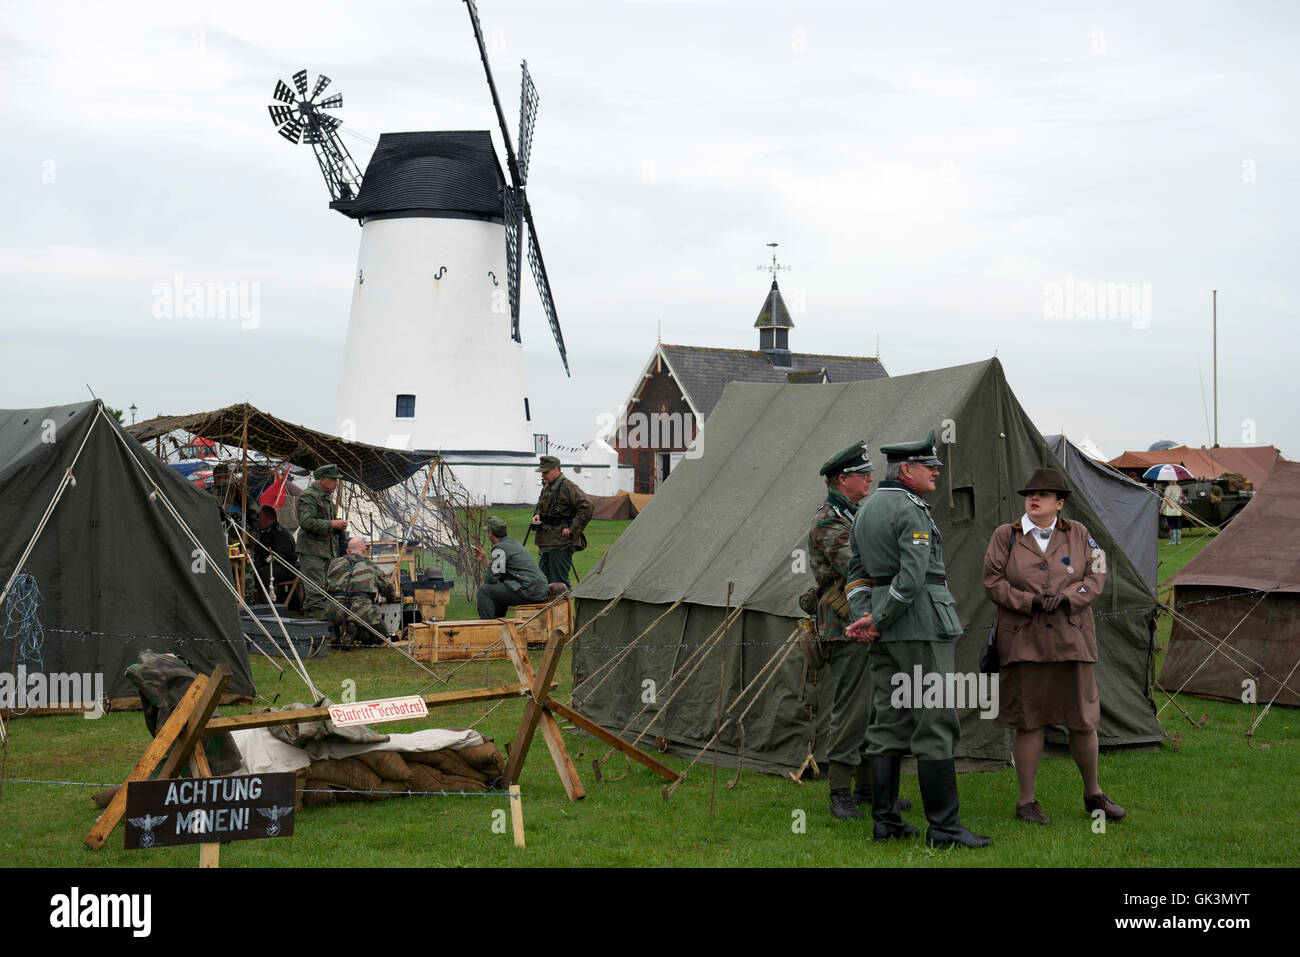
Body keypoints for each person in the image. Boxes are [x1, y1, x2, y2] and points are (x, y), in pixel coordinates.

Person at [844, 429, 990, 848]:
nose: (937, 474)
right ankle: (944, 829)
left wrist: (866, 619)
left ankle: (885, 822)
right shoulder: (911, 510)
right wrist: (883, 618)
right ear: (906, 470)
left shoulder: (866, 508)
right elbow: (910, 579)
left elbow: (855, 576)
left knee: (888, 720)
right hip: (920, 625)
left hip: (884, 631)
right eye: (930, 467)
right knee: (935, 721)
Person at [983, 467, 1125, 825]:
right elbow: (992, 582)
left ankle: (1094, 794)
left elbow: (1098, 571)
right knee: (1029, 721)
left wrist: (1068, 597)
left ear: (1059, 503)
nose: (1034, 499)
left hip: (1071, 638)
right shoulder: (1006, 536)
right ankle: (1026, 802)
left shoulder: (1080, 533)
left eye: (1044, 495)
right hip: (1023, 642)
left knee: (1082, 720)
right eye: (1031, 494)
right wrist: (1029, 601)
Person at [809, 440, 912, 821]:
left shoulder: (854, 515)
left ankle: (869, 788)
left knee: (875, 710)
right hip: (845, 626)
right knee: (852, 710)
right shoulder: (828, 522)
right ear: (842, 479)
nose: (870, 478)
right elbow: (861, 564)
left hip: (867, 621)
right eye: (861, 474)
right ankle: (840, 791)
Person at [531, 455, 593, 586]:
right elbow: (541, 506)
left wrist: (573, 529)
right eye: (542, 472)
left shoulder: (568, 487)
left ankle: (564, 607)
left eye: (545, 472)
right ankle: (548, 607)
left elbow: (587, 507)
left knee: (559, 584)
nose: (543, 475)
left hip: (560, 542)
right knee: (543, 582)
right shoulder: (548, 486)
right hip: (546, 541)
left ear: (556, 469)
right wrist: (537, 515)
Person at [474, 516, 552, 619]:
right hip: (539, 590)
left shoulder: (500, 548)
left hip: (529, 591)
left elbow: (490, 579)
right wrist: (484, 559)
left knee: (484, 590)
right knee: (499, 589)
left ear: (491, 533)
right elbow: (497, 573)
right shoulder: (512, 543)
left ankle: (488, 627)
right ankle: (499, 624)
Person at [296, 464, 348, 618]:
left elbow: (323, 522)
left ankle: (321, 627)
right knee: (316, 593)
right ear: (323, 480)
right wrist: (331, 524)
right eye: (333, 480)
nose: (336, 483)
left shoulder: (326, 498)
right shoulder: (308, 497)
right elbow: (305, 522)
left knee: (325, 590)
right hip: (312, 552)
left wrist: (337, 525)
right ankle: (314, 632)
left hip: (326, 551)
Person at [325, 537, 399, 645]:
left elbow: (326, 587)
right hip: (361, 610)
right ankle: (357, 632)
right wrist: (392, 595)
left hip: (334, 609)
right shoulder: (371, 566)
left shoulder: (334, 563)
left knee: (336, 611)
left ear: (347, 551)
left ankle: (334, 630)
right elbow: (386, 588)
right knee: (382, 634)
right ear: (364, 551)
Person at [248, 504, 297, 605]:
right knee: (253, 570)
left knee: (263, 573)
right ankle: (259, 600)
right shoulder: (266, 532)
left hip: (286, 567)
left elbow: (276, 557)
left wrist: (257, 564)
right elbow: (262, 553)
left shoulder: (280, 535)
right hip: (273, 564)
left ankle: (269, 603)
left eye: (260, 519)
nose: (258, 521)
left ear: (267, 520)